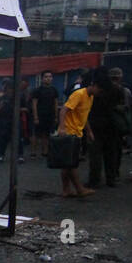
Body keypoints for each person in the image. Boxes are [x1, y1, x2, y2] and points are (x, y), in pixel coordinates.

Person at [57, 69, 103, 198]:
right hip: (69, 132)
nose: (100, 92)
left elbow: (84, 115)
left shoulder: (91, 97)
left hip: (77, 132)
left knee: (67, 164)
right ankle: (79, 189)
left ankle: (66, 190)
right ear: (93, 85)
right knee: (71, 163)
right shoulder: (78, 94)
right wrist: (62, 128)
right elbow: (63, 110)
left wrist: (89, 131)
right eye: (99, 89)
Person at [30, 71, 59, 159]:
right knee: (35, 134)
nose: (48, 78)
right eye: (46, 77)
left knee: (46, 134)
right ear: (42, 79)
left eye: (50, 76)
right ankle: (33, 153)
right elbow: (34, 104)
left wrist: (56, 116)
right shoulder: (37, 90)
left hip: (49, 116)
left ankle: (45, 152)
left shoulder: (54, 90)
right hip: (39, 115)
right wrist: (35, 117)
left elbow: (56, 103)